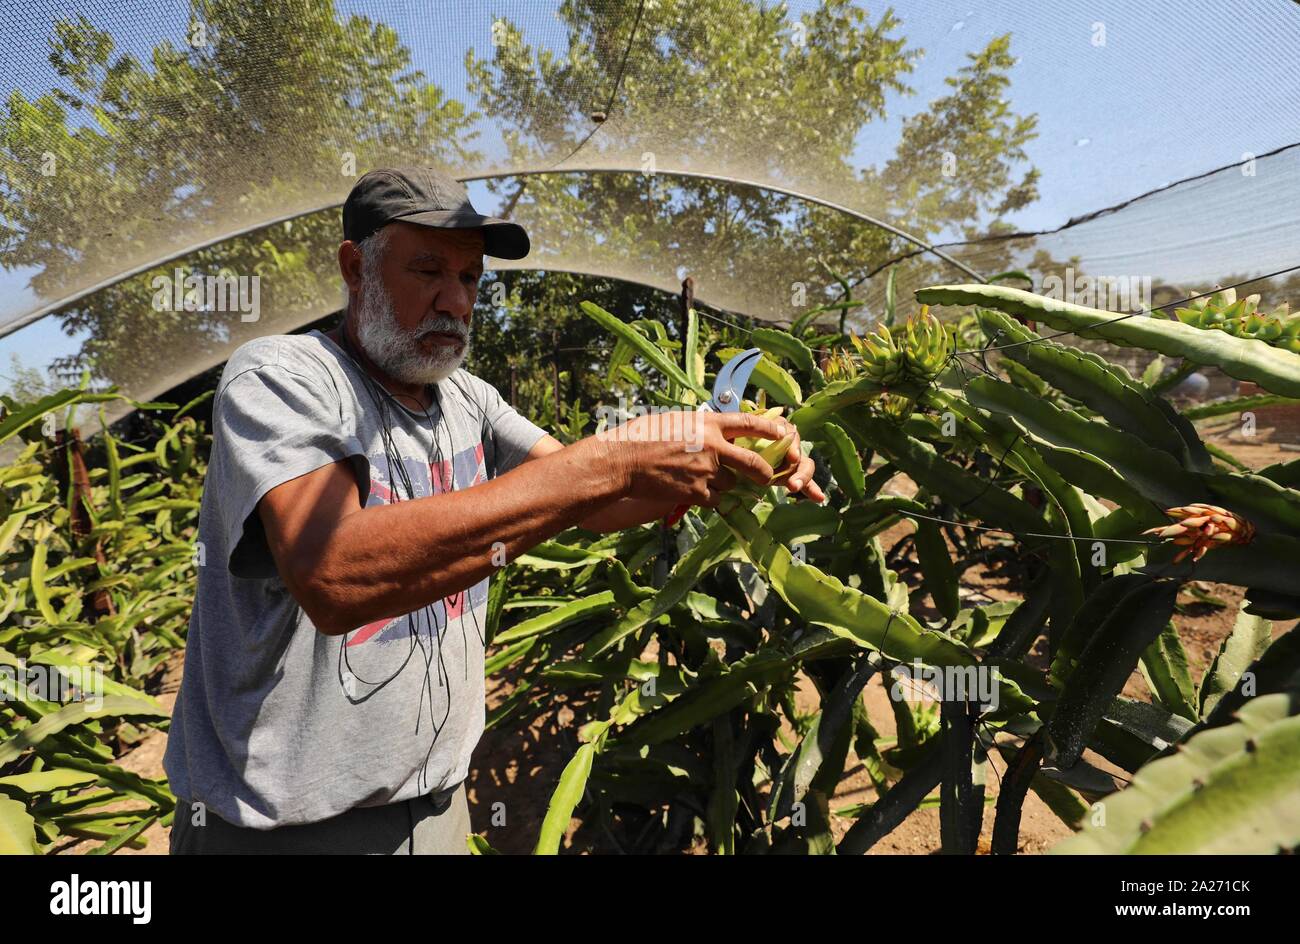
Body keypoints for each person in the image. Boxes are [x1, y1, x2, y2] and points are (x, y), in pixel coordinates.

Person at [164, 166, 824, 854]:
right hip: (283, 830)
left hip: (438, 809)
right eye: (428, 271)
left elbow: (594, 502)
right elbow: (333, 573)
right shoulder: (285, 377)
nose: (455, 300)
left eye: (472, 279)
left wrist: (732, 464)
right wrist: (616, 455)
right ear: (355, 266)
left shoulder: (469, 399)